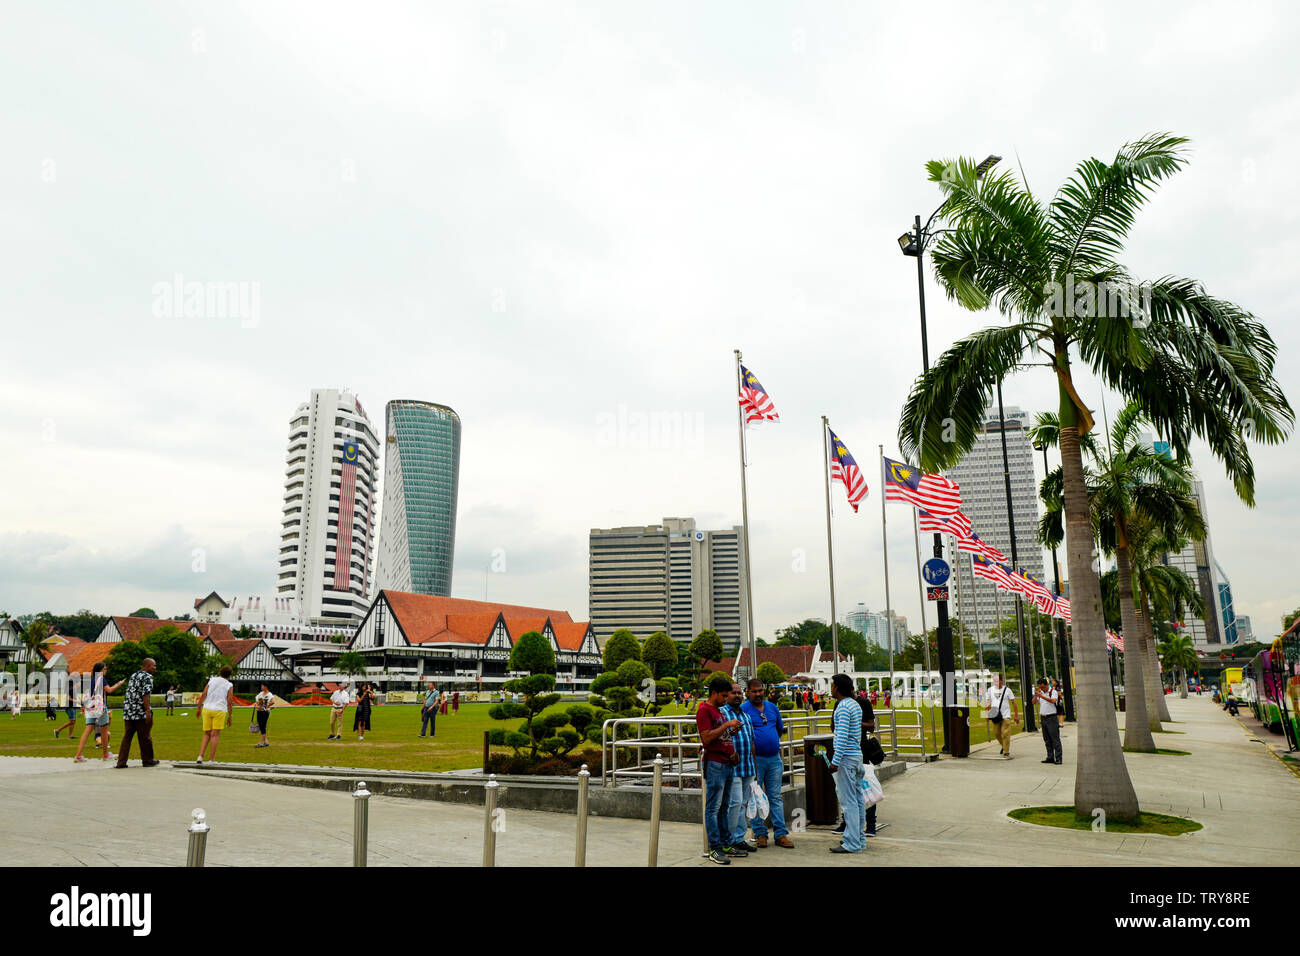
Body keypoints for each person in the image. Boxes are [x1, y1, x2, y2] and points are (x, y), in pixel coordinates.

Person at [696, 673, 742, 865]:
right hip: (715, 763)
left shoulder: (719, 711)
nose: (726, 699)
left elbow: (720, 734)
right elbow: (706, 738)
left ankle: (725, 842)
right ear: (714, 693)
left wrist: (730, 733)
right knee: (713, 807)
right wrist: (726, 726)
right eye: (723, 696)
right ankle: (715, 847)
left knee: (724, 805)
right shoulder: (705, 710)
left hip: (726, 761)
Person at [742, 678, 793, 848]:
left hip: (774, 759)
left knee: (775, 797)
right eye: (754, 691)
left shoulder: (772, 707)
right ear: (748, 692)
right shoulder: (744, 710)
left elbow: (778, 729)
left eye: (760, 690)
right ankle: (760, 833)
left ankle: (780, 834)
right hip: (755, 761)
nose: (758, 694)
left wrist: (769, 741)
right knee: (755, 796)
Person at [828, 674, 866, 854]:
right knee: (858, 800)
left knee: (848, 802)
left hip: (846, 759)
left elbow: (841, 735)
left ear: (838, 688)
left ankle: (851, 843)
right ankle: (859, 839)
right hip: (856, 757)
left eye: (832, 685)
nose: (831, 688)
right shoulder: (855, 704)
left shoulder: (843, 707)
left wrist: (835, 762)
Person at [721, 682, 758, 855]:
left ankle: (738, 838)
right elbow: (719, 738)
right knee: (734, 803)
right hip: (732, 767)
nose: (737, 695)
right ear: (726, 695)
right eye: (733, 692)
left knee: (743, 803)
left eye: (739, 693)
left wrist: (755, 766)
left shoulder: (746, 715)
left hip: (747, 766)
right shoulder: (723, 714)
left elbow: (751, 742)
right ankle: (727, 840)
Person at [74, 662, 124, 762]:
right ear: (100, 670)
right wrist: (119, 684)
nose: (106, 670)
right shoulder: (101, 679)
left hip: (91, 707)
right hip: (101, 707)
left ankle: (78, 755)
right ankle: (105, 754)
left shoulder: (92, 679)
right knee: (104, 730)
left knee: (87, 730)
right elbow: (109, 690)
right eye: (105, 669)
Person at [116, 658, 159, 768]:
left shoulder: (134, 675)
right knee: (145, 737)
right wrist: (148, 710)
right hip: (140, 712)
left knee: (127, 737)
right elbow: (145, 694)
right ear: (148, 666)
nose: (155, 668)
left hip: (129, 712)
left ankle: (121, 762)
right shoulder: (148, 677)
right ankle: (147, 760)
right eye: (154, 666)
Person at [195, 665, 235, 764]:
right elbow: (230, 701)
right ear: (230, 675)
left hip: (207, 708)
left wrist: (199, 708)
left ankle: (200, 756)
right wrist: (230, 716)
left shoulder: (212, 680)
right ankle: (211, 759)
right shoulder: (229, 685)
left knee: (206, 733)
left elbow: (204, 694)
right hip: (219, 710)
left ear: (220, 672)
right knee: (215, 735)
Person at [984, 673, 1020, 758]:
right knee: (996, 733)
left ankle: (1006, 751)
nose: (995, 682)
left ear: (1001, 681)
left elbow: (1014, 703)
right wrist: (986, 715)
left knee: (1005, 733)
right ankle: (1004, 746)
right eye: (994, 680)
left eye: (997, 680)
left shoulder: (1007, 690)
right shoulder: (990, 690)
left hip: (1005, 715)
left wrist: (1016, 716)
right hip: (995, 715)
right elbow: (988, 703)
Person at [1034, 677, 1062, 765]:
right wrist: (1036, 695)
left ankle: (1058, 758)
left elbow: (1053, 700)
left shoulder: (1052, 691)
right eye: (1040, 687)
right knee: (1046, 739)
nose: (1042, 689)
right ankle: (1050, 757)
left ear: (1046, 685)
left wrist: (1042, 696)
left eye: (1043, 687)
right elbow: (1033, 702)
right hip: (1043, 718)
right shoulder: (1041, 693)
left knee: (1055, 739)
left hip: (1052, 717)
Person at [254, 683, 274, 747]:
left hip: (265, 712)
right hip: (259, 711)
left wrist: (266, 706)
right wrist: (257, 706)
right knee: (261, 726)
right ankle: (266, 742)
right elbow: (257, 701)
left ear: (266, 687)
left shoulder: (269, 694)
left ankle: (261, 743)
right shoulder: (261, 693)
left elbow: (273, 702)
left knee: (263, 726)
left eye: (262, 686)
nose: (261, 687)